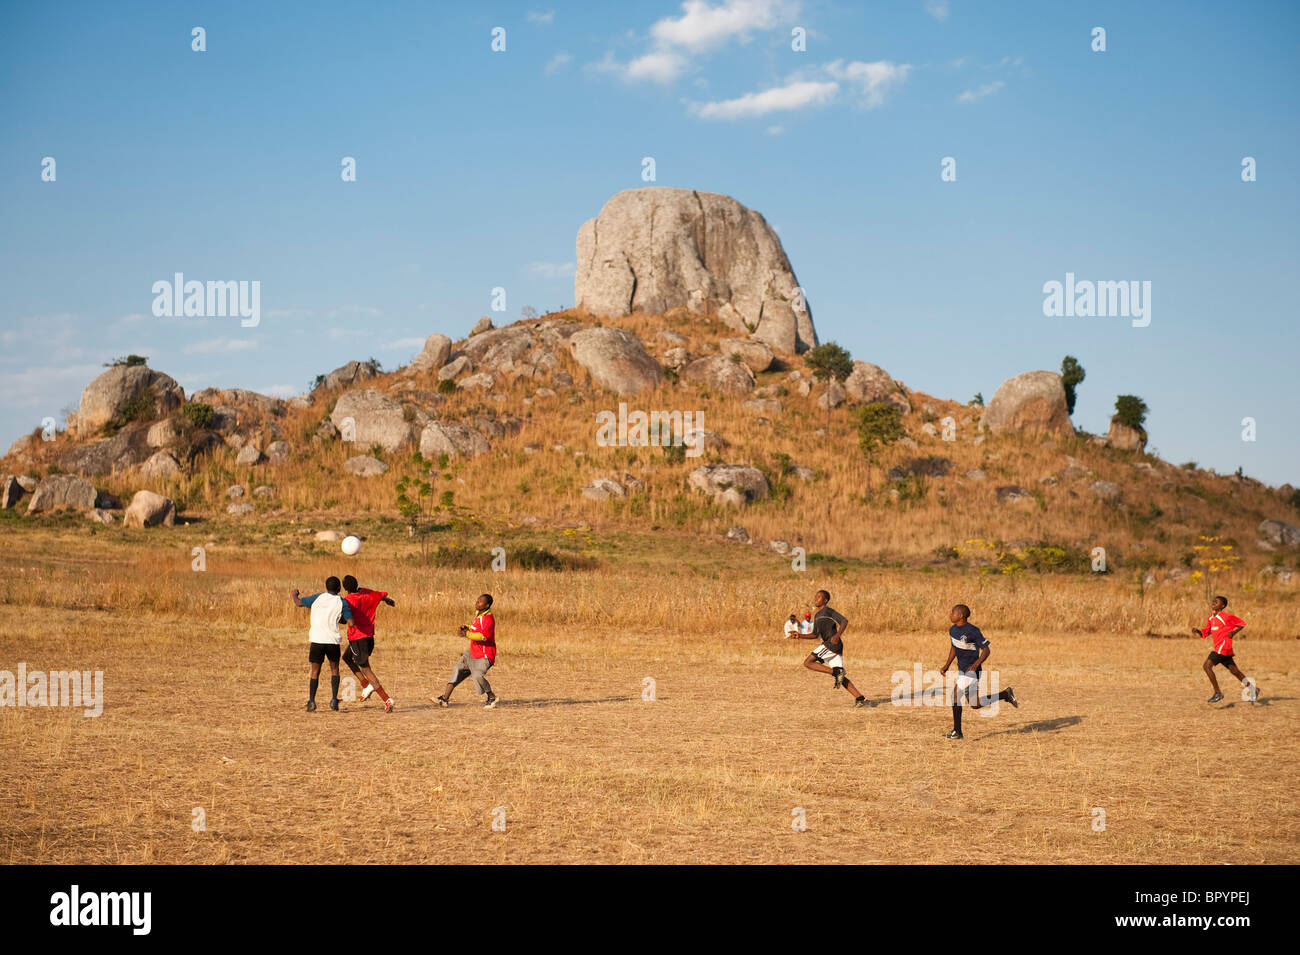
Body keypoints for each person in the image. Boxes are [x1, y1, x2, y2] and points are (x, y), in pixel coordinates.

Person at [939, 604, 1018, 739]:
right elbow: (954, 648)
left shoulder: (972, 631)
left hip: (972, 672)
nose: (950, 614)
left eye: (953, 612)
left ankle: (957, 732)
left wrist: (976, 664)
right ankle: (1005, 694)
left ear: (961, 615)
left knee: (954, 696)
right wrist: (946, 665)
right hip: (962, 671)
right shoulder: (952, 630)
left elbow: (986, 650)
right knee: (975, 704)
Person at [291, 577, 353, 712]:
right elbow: (350, 622)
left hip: (317, 640)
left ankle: (312, 701)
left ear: (326, 587)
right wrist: (341, 618)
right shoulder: (341, 602)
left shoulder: (317, 598)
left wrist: (294, 594)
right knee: (335, 669)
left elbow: (299, 603)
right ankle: (333, 699)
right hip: (332, 641)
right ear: (339, 589)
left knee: (315, 672)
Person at [801, 589, 868, 707]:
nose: (816, 599)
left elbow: (844, 621)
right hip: (833, 645)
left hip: (832, 644)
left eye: (819, 597)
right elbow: (815, 635)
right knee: (840, 678)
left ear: (825, 600)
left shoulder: (829, 611)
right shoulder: (817, 616)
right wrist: (799, 636)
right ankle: (860, 698)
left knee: (808, 663)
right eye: (815, 597)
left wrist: (837, 635)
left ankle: (836, 672)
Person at [341, 575, 395, 713]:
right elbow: (379, 595)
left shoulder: (348, 601)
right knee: (347, 657)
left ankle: (386, 699)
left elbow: (344, 619)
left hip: (358, 639)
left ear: (345, 588)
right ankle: (366, 685)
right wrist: (386, 600)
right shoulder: (366, 593)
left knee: (366, 669)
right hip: (369, 637)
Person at [434, 593, 498, 709]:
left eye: (480, 601)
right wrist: (467, 627)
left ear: (487, 605)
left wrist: (467, 634)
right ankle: (444, 699)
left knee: (477, 675)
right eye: (477, 600)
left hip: (484, 655)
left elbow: (484, 636)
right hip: (472, 652)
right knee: (457, 670)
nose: (477, 602)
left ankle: (491, 697)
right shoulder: (479, 615)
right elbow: (476, 628)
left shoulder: (488, 619)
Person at [1192, 595, 1258, 703]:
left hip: (1223, 647)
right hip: (1220, 648)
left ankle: (1218, 693)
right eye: (1213, 601)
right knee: (1234, 671)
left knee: (1206, 666)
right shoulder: (1211, 618)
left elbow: (1242, 624)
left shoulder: (1226, 616)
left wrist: (1233, 633)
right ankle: (1253, 689)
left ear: (1222, 606)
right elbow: (1206, 632)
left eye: (1216, 602)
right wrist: (1198, 631)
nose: (1213, 602)